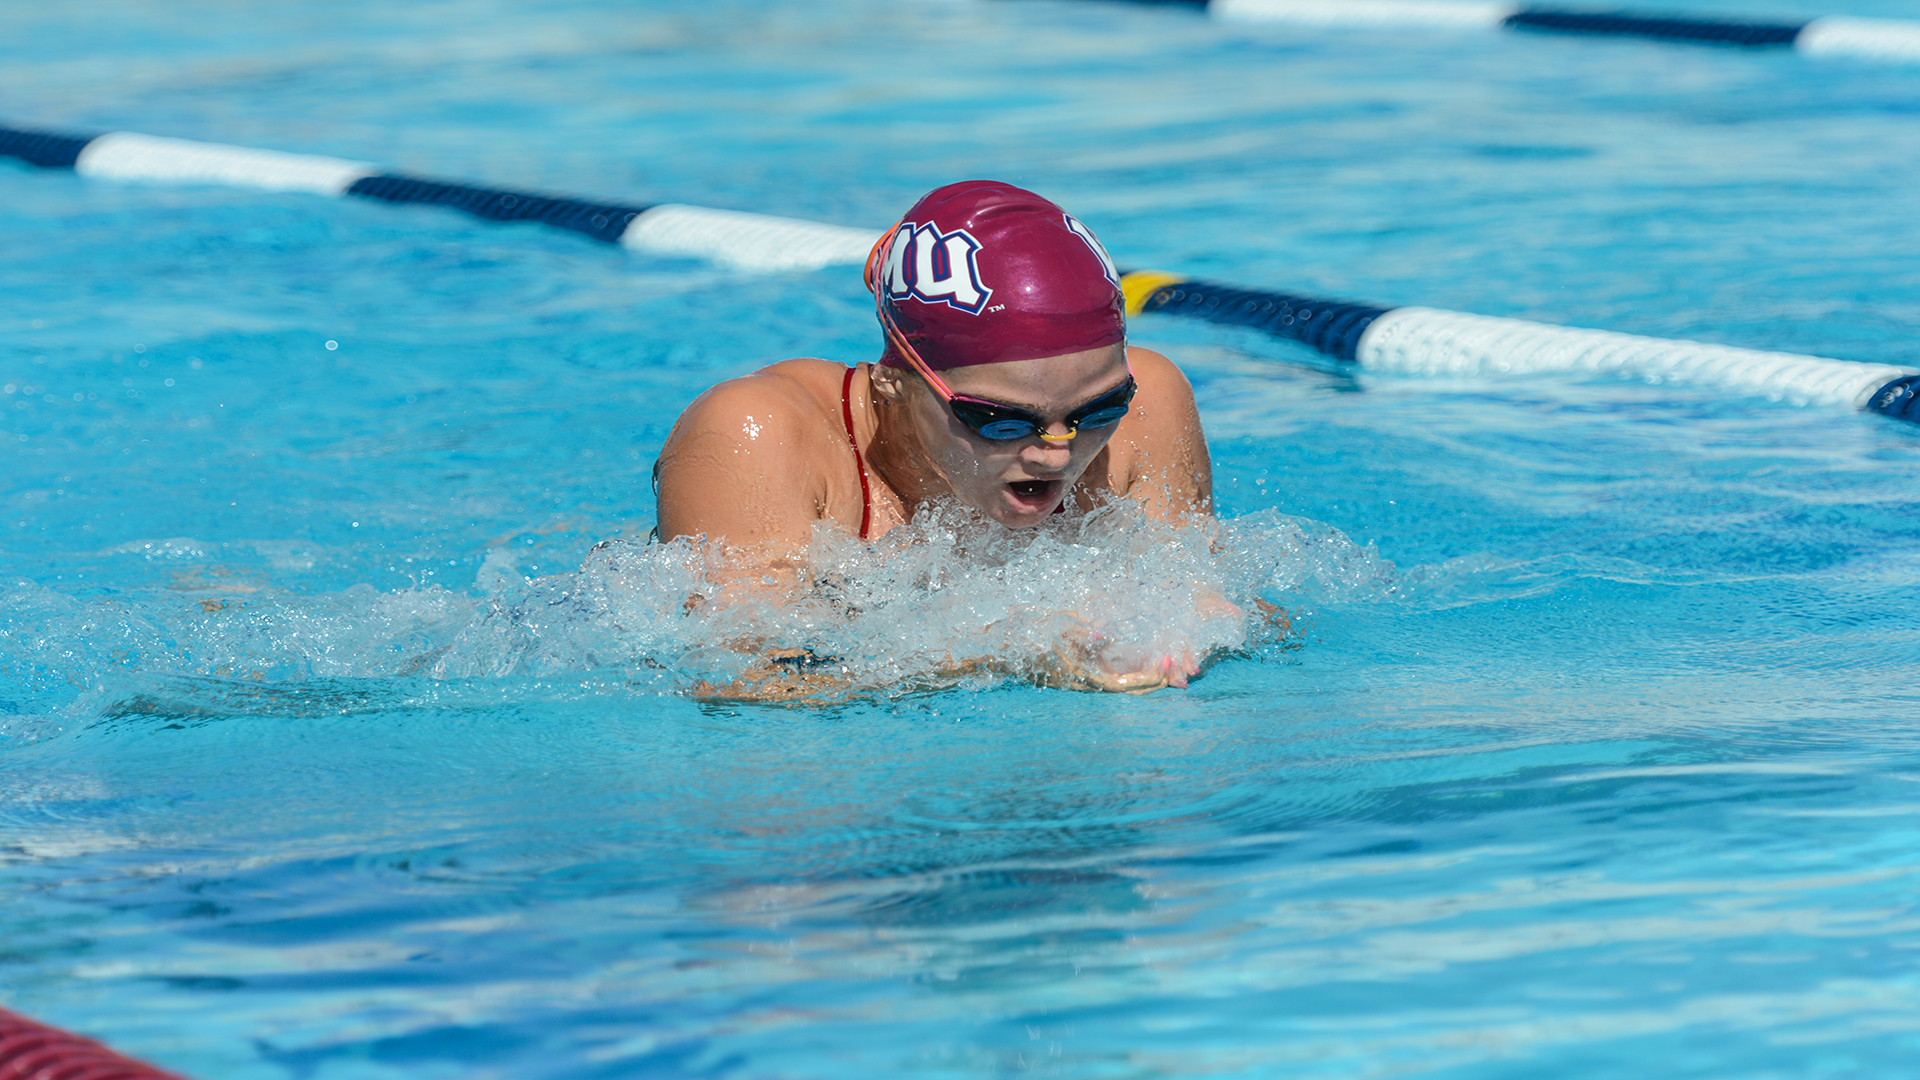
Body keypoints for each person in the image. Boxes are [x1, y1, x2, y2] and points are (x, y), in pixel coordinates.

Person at [653, 180, 1218, 692]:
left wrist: (1199, 625)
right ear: (894, 381)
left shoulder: (1148, 405)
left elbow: (1210, 596)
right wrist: (1012, 650)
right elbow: (740, 677)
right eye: (1001, 420)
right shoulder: (759, 434)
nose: (1056, 453)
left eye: (1098, 410)